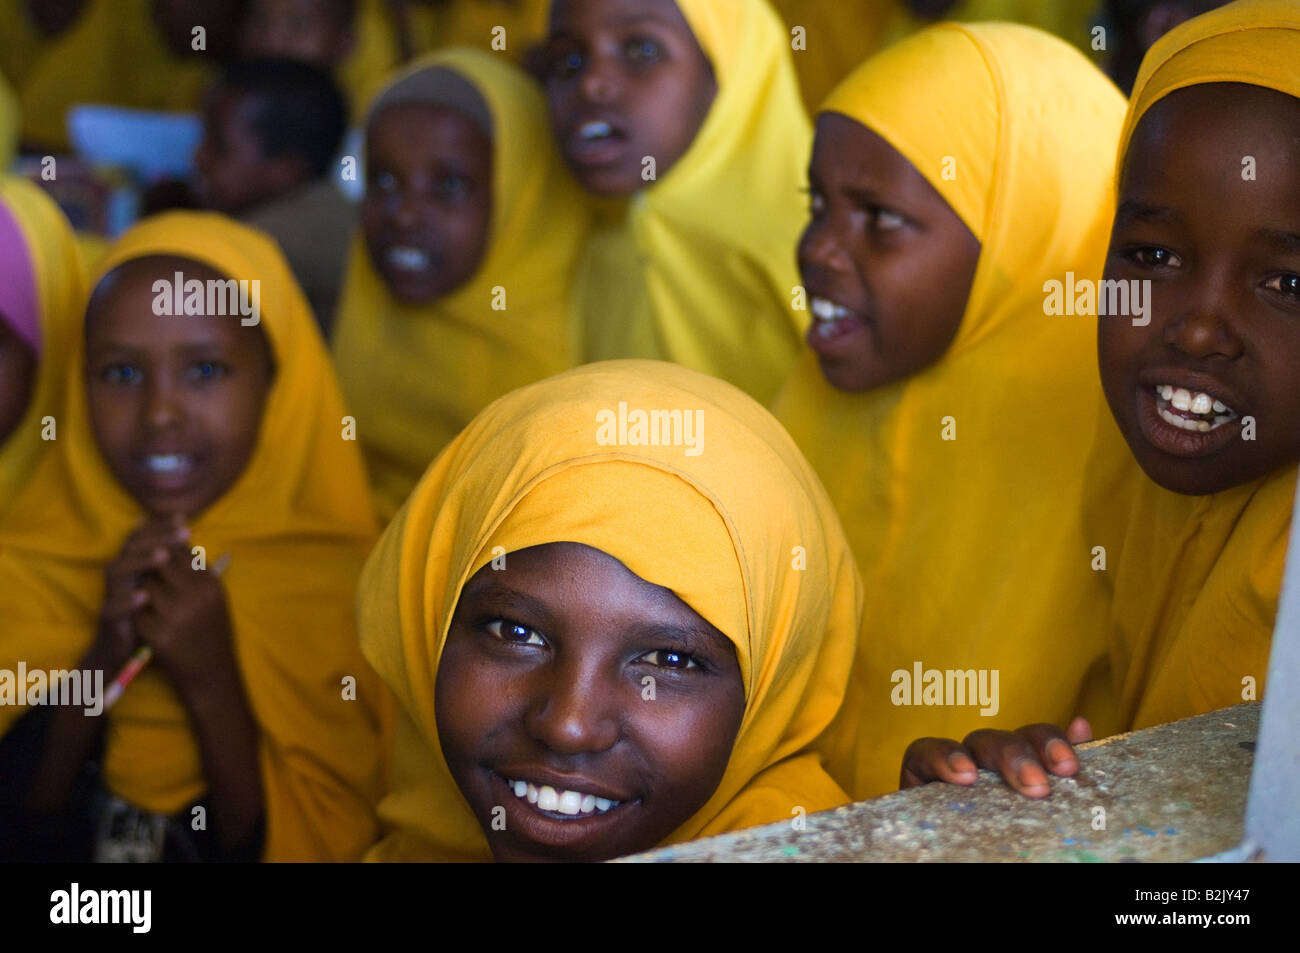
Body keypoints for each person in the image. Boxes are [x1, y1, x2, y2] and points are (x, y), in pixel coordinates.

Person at [900, 0, 1300, 797]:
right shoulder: (1127, 481)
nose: (1194, 333)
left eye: (1288, 282)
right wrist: (1023, 803)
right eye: (1151, 254)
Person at [773, 22, 1129, 799]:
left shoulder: (1131, 471)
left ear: (1026, 233)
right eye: (818, 203)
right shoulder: (804, 406)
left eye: (880, 216)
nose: (818, 249)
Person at [359, 359, 862, 861]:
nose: (568, 727)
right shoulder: (419, 830)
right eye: (515, 631)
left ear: (771, 690)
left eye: (670, 661)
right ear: (428, 615)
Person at [0, 213, 387, 861]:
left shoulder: (353, 596)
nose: (159, 413)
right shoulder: (27, 560)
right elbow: (21, 820)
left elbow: (324, 842)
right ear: (76, 380)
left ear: (278, 380)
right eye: (120, 374)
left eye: (205, 370)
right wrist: (101, 661)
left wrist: (211, 680)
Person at [332, 47, 588, 524]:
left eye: (448, 185)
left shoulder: (586, 357)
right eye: (383, 180)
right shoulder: (362, 308)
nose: (404, 214)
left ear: (523, 193)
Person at [541, 0, 809, 404]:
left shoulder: (810, 248)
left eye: (642, 51)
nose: (591, 82)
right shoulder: (591, 241)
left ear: (728, 69)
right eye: (568, 60)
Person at [193, 58, 352, 334]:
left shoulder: (263, 243)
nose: (198, 157)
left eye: (218, 146)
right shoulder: (334, 207)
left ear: (284, 168)